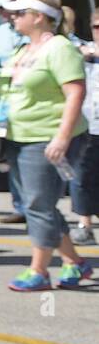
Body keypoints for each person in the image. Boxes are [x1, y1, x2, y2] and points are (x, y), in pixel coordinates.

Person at [0, 0, 89, 290]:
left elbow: (75, 93)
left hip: (45, 137)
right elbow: (2, 91)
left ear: (38, 16)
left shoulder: (60, 48)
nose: (12, 17)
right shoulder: (25, 50)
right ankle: (75, 262)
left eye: (19, 12)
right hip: (18, 134)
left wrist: (62, 138)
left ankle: (39, 270)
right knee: (39, 204)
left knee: (37, 204)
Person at [0, 0, 28, 225]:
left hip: (32, 105)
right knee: (13, 157)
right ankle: (20, 206)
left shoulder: (36, 35)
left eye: (4, 8)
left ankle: (37, 206)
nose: (0, 12)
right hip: (5, 106)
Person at [69, 21, 99, 245]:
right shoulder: (81, 50)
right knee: (81, 176)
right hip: (88, 124)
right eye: (96, 26)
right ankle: (84, 223)